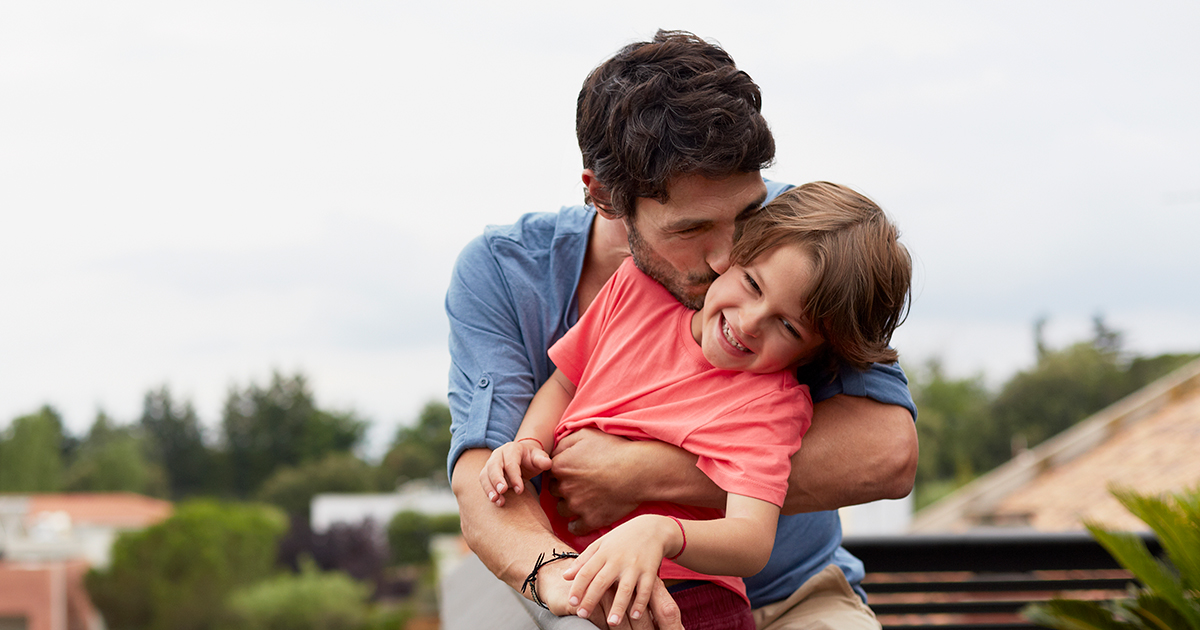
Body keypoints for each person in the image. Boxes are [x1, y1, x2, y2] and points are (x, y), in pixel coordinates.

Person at [446, 30, 918, 630]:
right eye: (691, 229)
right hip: (595, 592)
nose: (726, 258)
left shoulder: (801, 239)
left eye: (746, 214)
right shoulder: (503, 271)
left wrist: (639, 474)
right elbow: (483, 479)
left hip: (798, 595)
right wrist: (580, 587)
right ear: (604, 196)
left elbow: (887, 453)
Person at [479, 182, 913, 629]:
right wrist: (528, 443)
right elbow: (564, 383)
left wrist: (664, 531)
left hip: (694, 602)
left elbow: (751, 540)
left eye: (788, 326)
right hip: (586, 586)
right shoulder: (632, 290)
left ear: (813, 354)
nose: (749, 322)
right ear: (731, 257)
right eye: (752, 284)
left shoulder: (769, 408)